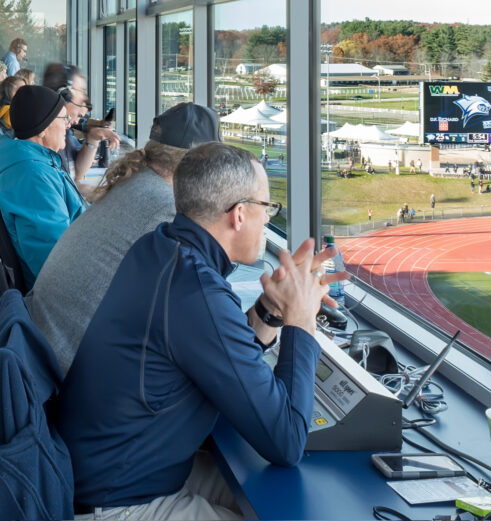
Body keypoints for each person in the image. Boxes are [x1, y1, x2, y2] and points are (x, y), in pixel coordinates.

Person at [59, 142, 339, 519]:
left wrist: (272, 310)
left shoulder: (159, 248)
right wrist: (301, 319)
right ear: (240, 214)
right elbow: (287, 440)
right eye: (266, 208)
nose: (267, 220)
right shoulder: (196, 291)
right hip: (120, 502)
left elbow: (218, 351)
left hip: (111, 472)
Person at [26, 103, 219, 376]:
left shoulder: (134, 183)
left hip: (43, 344)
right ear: (199, 163)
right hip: (67, 370)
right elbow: (201, 311)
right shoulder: (166, 207)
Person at [0, 85, 87, 281]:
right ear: (43, 129)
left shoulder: (21, 162)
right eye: (64, 119)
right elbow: (56, 265)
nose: (69, 125)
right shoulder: (34, 178)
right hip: (67, 289)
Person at [59, 67, 120, 184]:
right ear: (65, 94)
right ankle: (101, 123)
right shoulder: (54, 141)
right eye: (81, 90)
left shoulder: (66, 136)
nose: (84, 97)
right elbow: (74, 179)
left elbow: (77, 172)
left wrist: (92, 139)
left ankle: (101, 124)